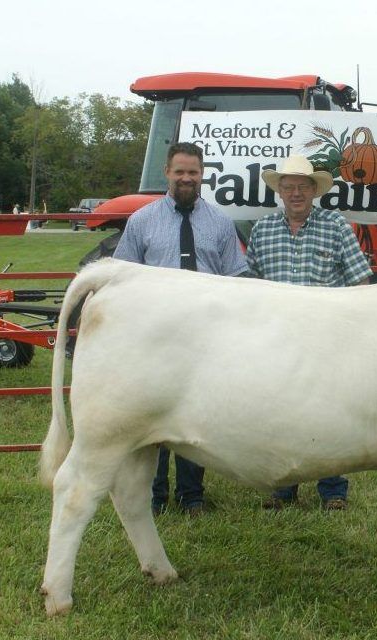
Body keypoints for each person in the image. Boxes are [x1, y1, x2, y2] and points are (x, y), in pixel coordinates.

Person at [113, 142, 248, 517]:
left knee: (195, 417)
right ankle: (155, 496)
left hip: (204, 339)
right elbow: (122, 277)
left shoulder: (220, 223)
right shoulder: (142, 221)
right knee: (152, 414)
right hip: (154, 337)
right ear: (167, 173)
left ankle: (192, 495)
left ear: (203, 174)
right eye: (180, 172)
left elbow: (235, 278)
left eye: (193, 172)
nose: (187, 178)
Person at [246, 154, 372, 511]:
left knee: (331, 414)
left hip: (326, 338)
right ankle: (283, 486)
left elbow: (360, 281)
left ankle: (333, 489)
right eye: (289, 187)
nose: (295, 193)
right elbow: (250, 285)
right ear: (280, 192)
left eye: (302, 187)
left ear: (314, 191)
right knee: (278, 412)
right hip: (276, 339)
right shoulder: (262, 230)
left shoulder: (335, 226)